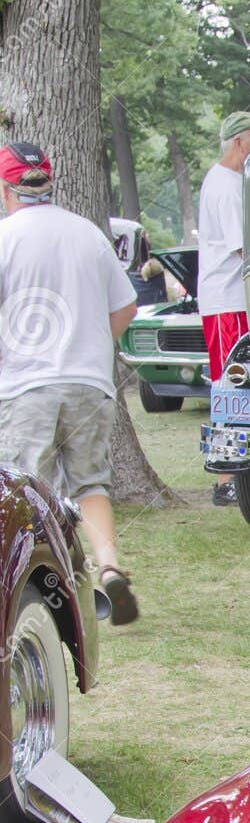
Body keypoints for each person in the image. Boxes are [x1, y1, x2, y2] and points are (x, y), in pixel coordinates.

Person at [0, 141, 140, 624]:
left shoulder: (4, 238)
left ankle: (39, 591)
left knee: (27, 492)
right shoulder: (88, 235)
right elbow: (124, 307)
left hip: (26, 384)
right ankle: (109, 569)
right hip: (89, 380)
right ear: (48, 182)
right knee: (90, 484)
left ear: (6, 187)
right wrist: (95, 345)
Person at [198, 110, 250, 507]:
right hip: (229, 300)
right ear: (240, 142)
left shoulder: (228, 182)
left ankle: (240, 469)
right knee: (232, 384)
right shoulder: (227, 186)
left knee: (239, 383)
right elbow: (245, 248)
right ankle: (228, 476)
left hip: (231, 299)